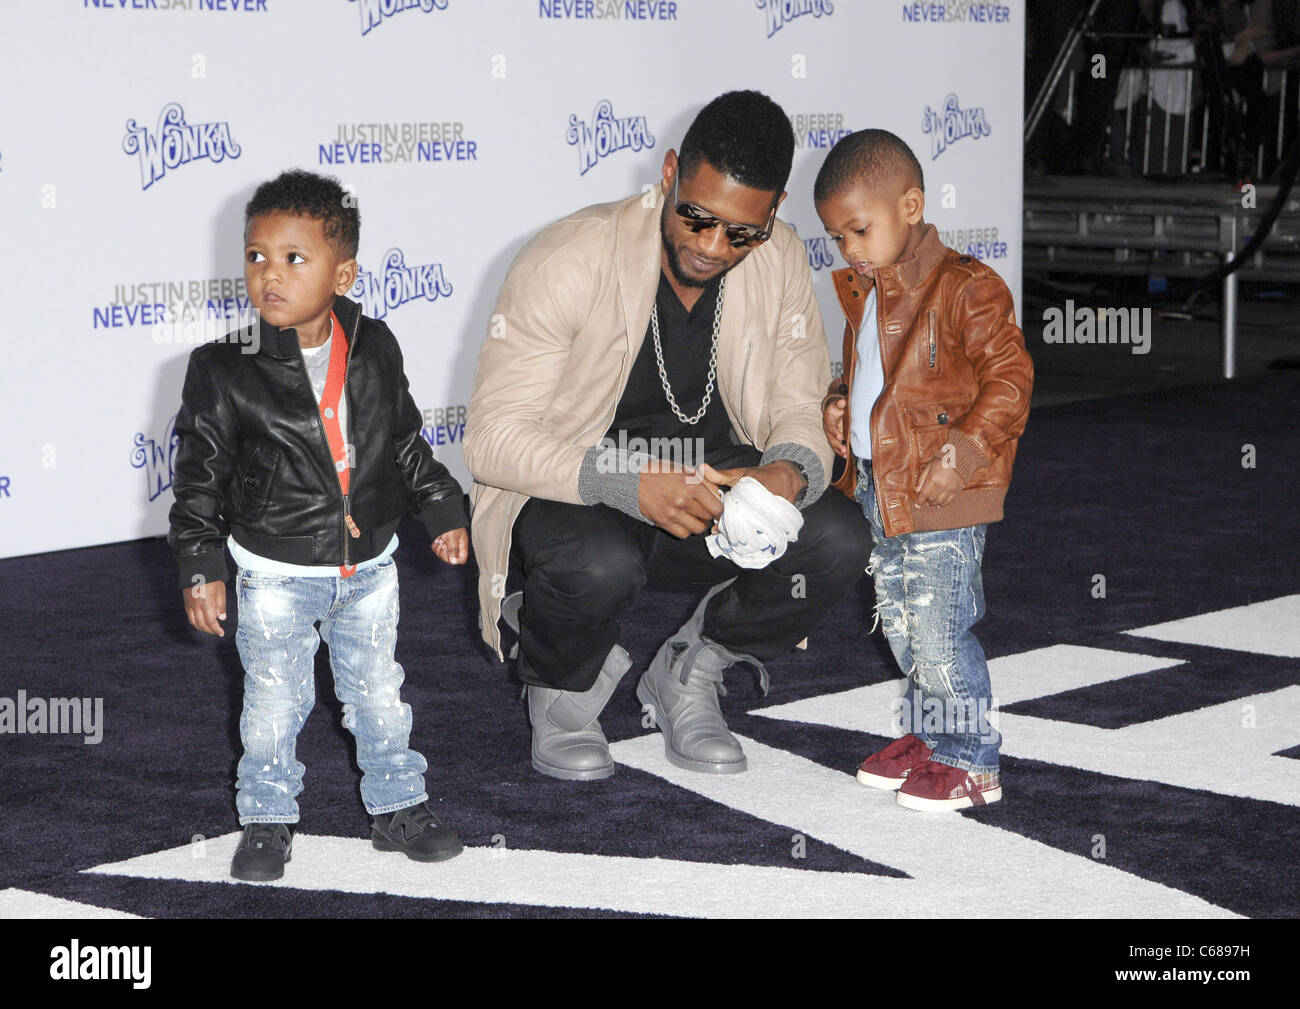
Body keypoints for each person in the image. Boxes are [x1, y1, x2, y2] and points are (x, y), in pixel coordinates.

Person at [465, 91, 871, 781]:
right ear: (669, 173)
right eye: (697, 216)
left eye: (741, 232)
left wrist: (789, 472)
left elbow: (799, 407)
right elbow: (491, 439)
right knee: (597, 565)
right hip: (583, 485)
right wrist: (626, 481)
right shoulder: (568, 257)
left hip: (712, 494)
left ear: (770, 216)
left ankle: (690, 670)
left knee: (837, 536)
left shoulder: (779, 260)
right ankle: (563, 694)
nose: (713, 247)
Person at [168, 169, 470, 880]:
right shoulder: (222, 368)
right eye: (255, 256)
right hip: (275, 571)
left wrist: (442, 507)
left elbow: (402, 441)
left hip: (369, 568)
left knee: (378, 694)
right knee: (272, 703)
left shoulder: (376, 345)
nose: (269, 274)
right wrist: (200, 565)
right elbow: (198, 479)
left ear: (344, 272)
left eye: (293, 258)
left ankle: (399, 806)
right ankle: (267, 820)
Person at [815, 130, 1033, 811]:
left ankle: (972, 758)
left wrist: (963, 452)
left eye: (859, 230)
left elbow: (1011, 378)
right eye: (837, 237)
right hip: (884, 482)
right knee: (904, 618)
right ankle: (931, 734)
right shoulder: (868, 290)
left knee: (939, 624)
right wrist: (838, 406)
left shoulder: (967, 286)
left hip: (944, 487)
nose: (849, 249)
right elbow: (878, 382)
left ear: (911, 205)